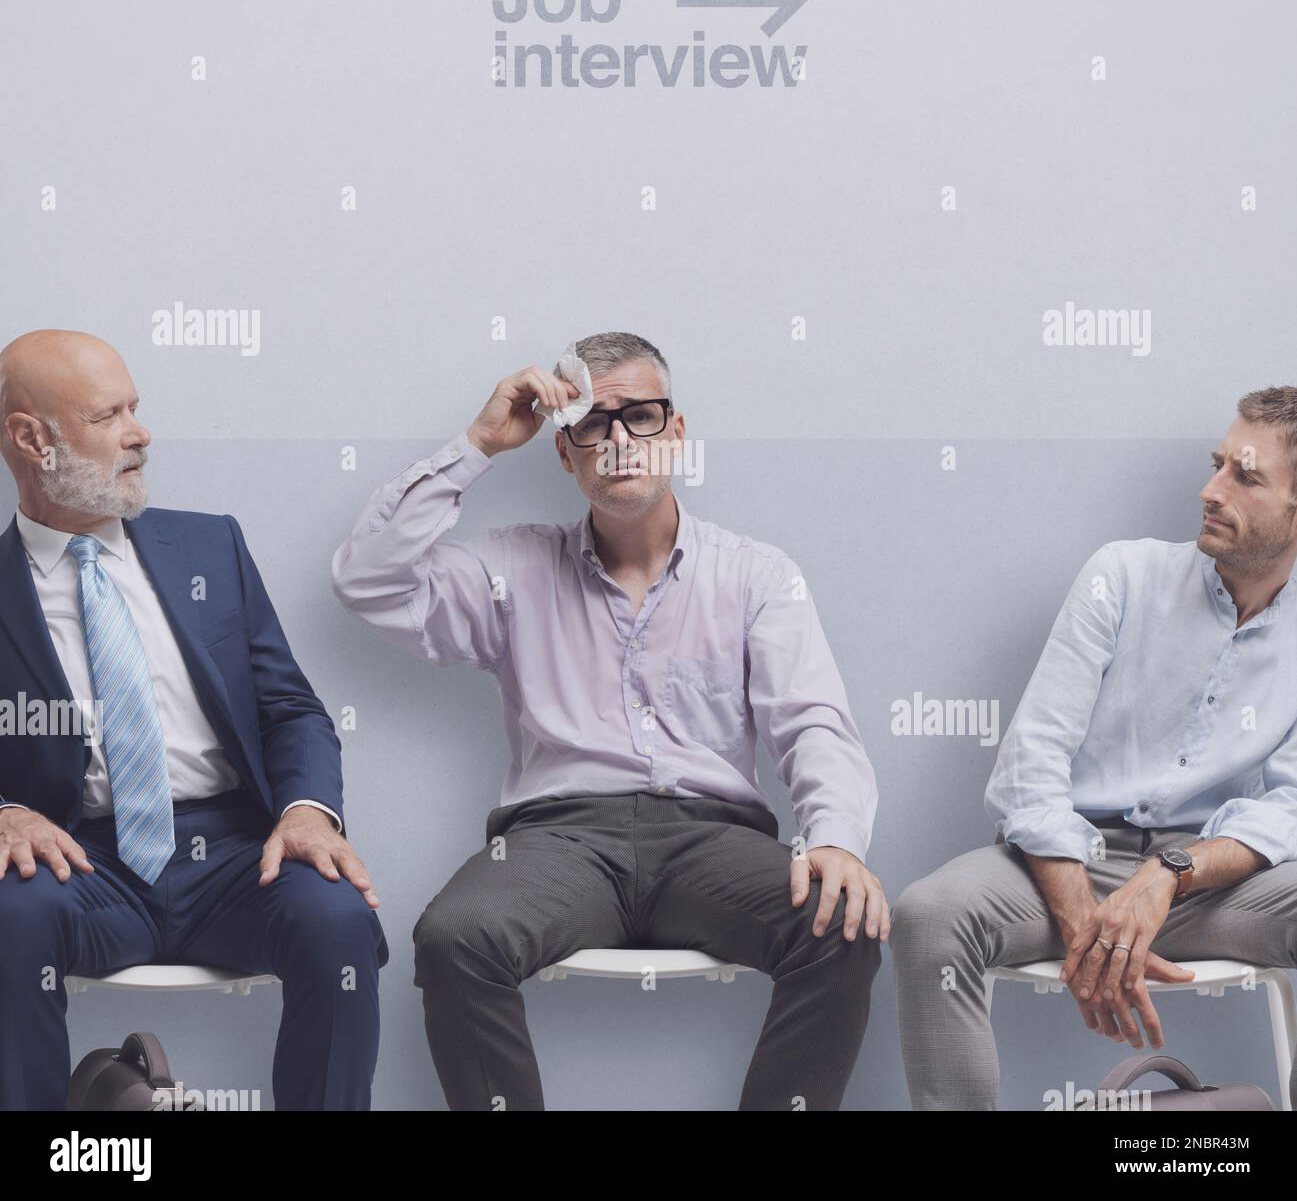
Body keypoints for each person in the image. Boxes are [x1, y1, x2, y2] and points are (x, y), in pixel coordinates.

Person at [331, 331, 884, 1110]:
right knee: (457, 937)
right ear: (566, 453)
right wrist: (479, 444)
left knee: (842, 924)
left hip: (712, 839)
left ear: (678, 433)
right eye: (594, 423)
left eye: (643, 417)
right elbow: (366, 580)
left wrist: (832, 839)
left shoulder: (757, 575)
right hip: (556, 840)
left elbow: (813, 724)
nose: (620, 440)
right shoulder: (511, 569)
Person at [0, 329, 387, 1110]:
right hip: (85, 863)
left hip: (235, 858)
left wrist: (310, 813)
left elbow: (290, 708)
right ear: (31, 439)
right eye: (110, 415)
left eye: (136, 408)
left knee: (338, 917)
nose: (140, 433)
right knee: (9, 917)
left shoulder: (210, 546)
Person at [892, 387, 1297, 1110]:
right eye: (1216, 466)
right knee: (931, 913)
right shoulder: (1122, 575)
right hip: (1066, 866)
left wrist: (1169, 873)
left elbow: (1291, 807)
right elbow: (1030, 769)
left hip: (1211, 886)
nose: (1210, 491)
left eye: (1245, 476)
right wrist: (1087, 925)